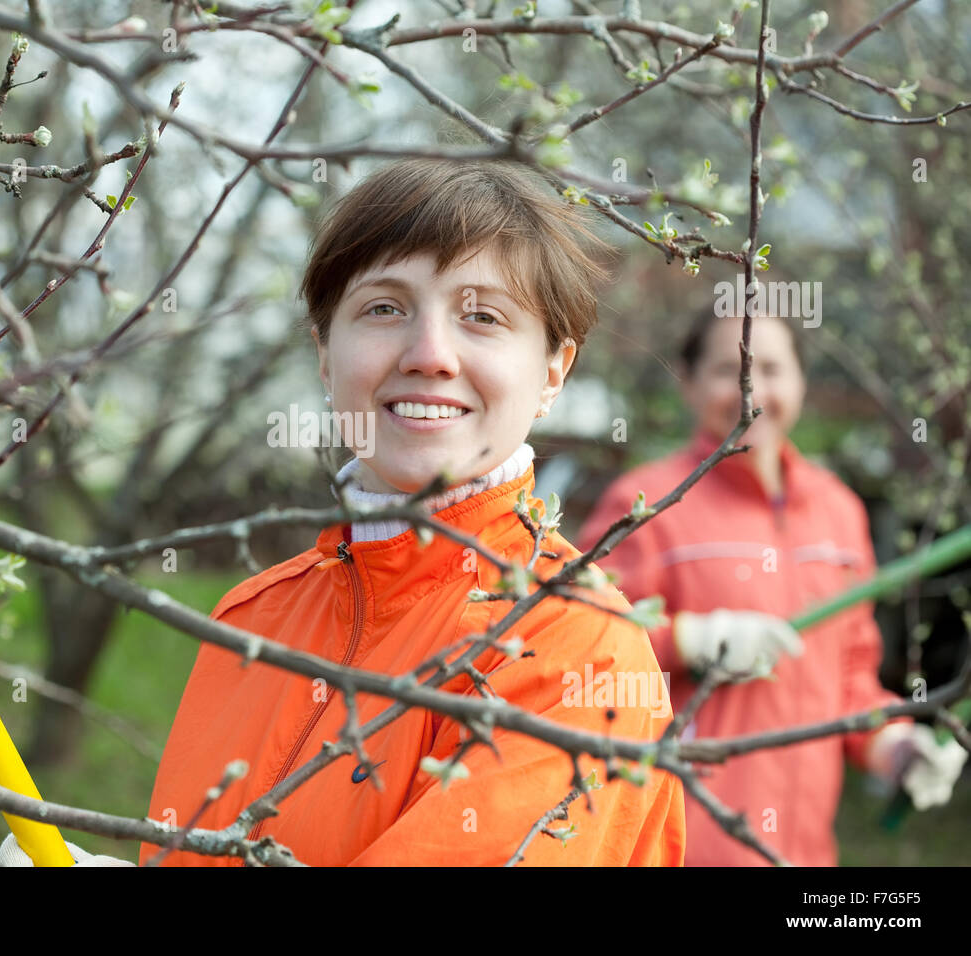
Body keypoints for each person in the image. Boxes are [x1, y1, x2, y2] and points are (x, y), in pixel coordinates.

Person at [113, 158, 685, 867]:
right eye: (384, 308)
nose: (429, 355)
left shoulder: (578, 648)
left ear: (552, 371)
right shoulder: (249, 621)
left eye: (483, 316)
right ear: (326, 353)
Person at [574, 307, 967, 866]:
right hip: (680, 846)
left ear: (802, 382)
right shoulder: (646, 503)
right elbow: (584, 649)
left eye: (774, 369)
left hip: (802, 854)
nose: (752, 389)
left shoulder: (838, 511)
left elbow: (849, 676)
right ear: (687, 383)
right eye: (728, 369)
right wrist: (689, 641)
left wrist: (897, 748)